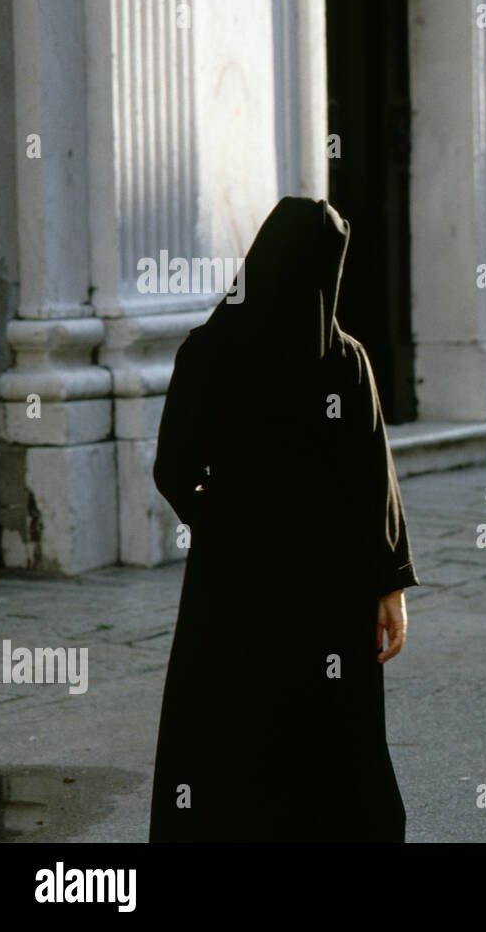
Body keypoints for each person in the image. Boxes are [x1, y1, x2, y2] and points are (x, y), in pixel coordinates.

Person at [149, 196, 416, 842]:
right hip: (328, 592)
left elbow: (172, 467)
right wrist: (390, 587)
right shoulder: (346, 364)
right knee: (330, 748)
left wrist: (224, 520)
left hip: (230, 586)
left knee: (229, 738)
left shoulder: (209, 352)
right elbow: (371, 481)